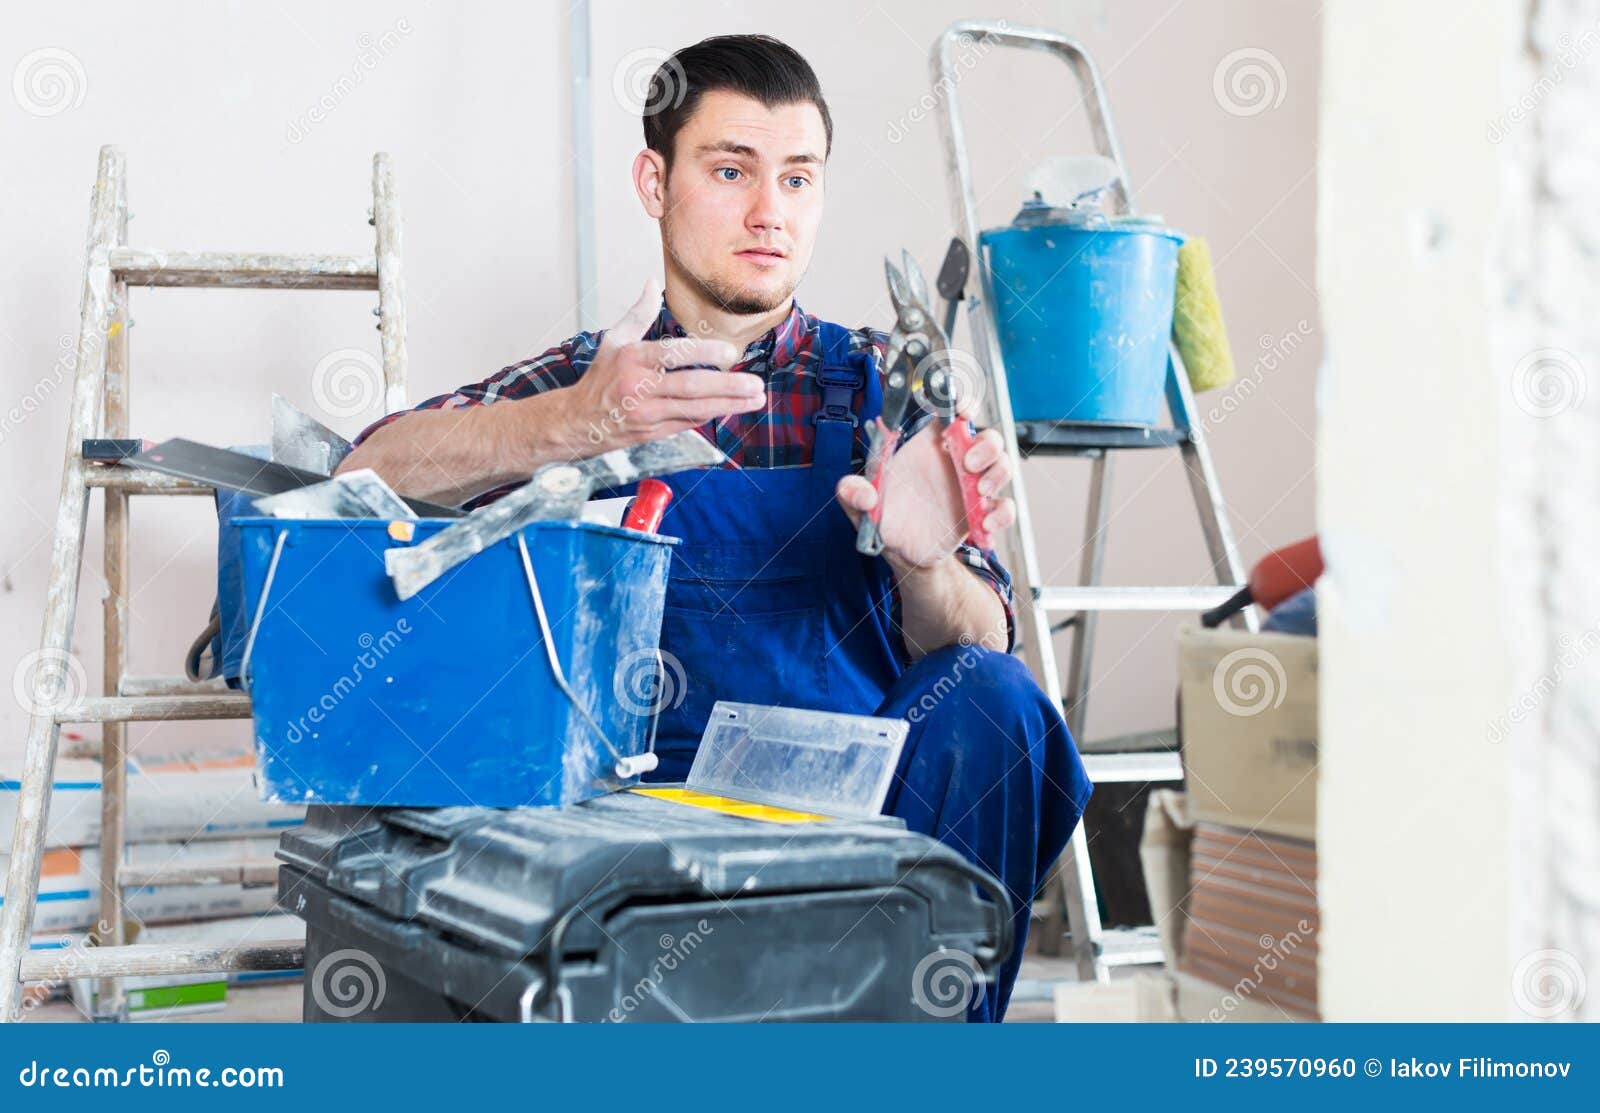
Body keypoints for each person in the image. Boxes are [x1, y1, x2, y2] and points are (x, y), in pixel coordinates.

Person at [340, 33, 1091, 1021]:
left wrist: (925, 562)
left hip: (864, 816)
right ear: (655, 182)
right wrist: (569, 424)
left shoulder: (884, 386)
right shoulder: (592, 377)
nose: (768, 211)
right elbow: (362, 477)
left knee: (993, 696)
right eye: (730, 170)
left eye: (797, 178)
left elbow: (982, 640)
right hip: (644, 825)